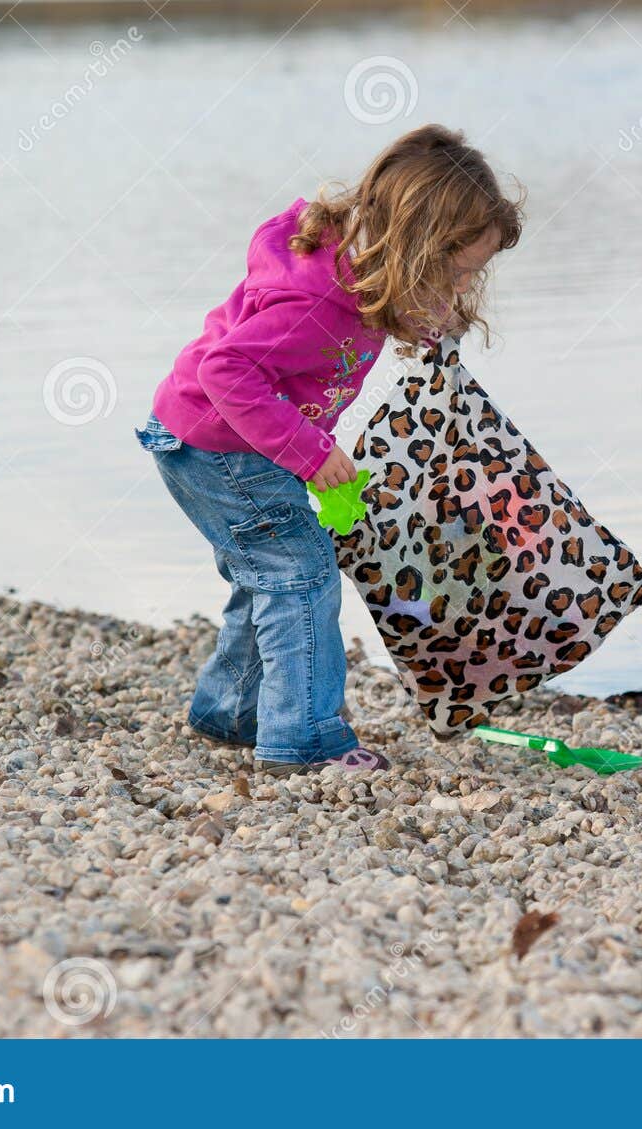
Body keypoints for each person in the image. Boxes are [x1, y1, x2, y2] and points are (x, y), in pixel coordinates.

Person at [135, 124, 522, 775]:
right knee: (301, 572)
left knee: (266, 570)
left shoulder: (360, 272)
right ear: (416, 247)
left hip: (212, 438)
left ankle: (232, 709)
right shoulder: (315, 299)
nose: (460, 290)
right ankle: (304, 736)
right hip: (220, 444)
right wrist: (311, 454)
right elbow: (225, 371)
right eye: (456, 273)